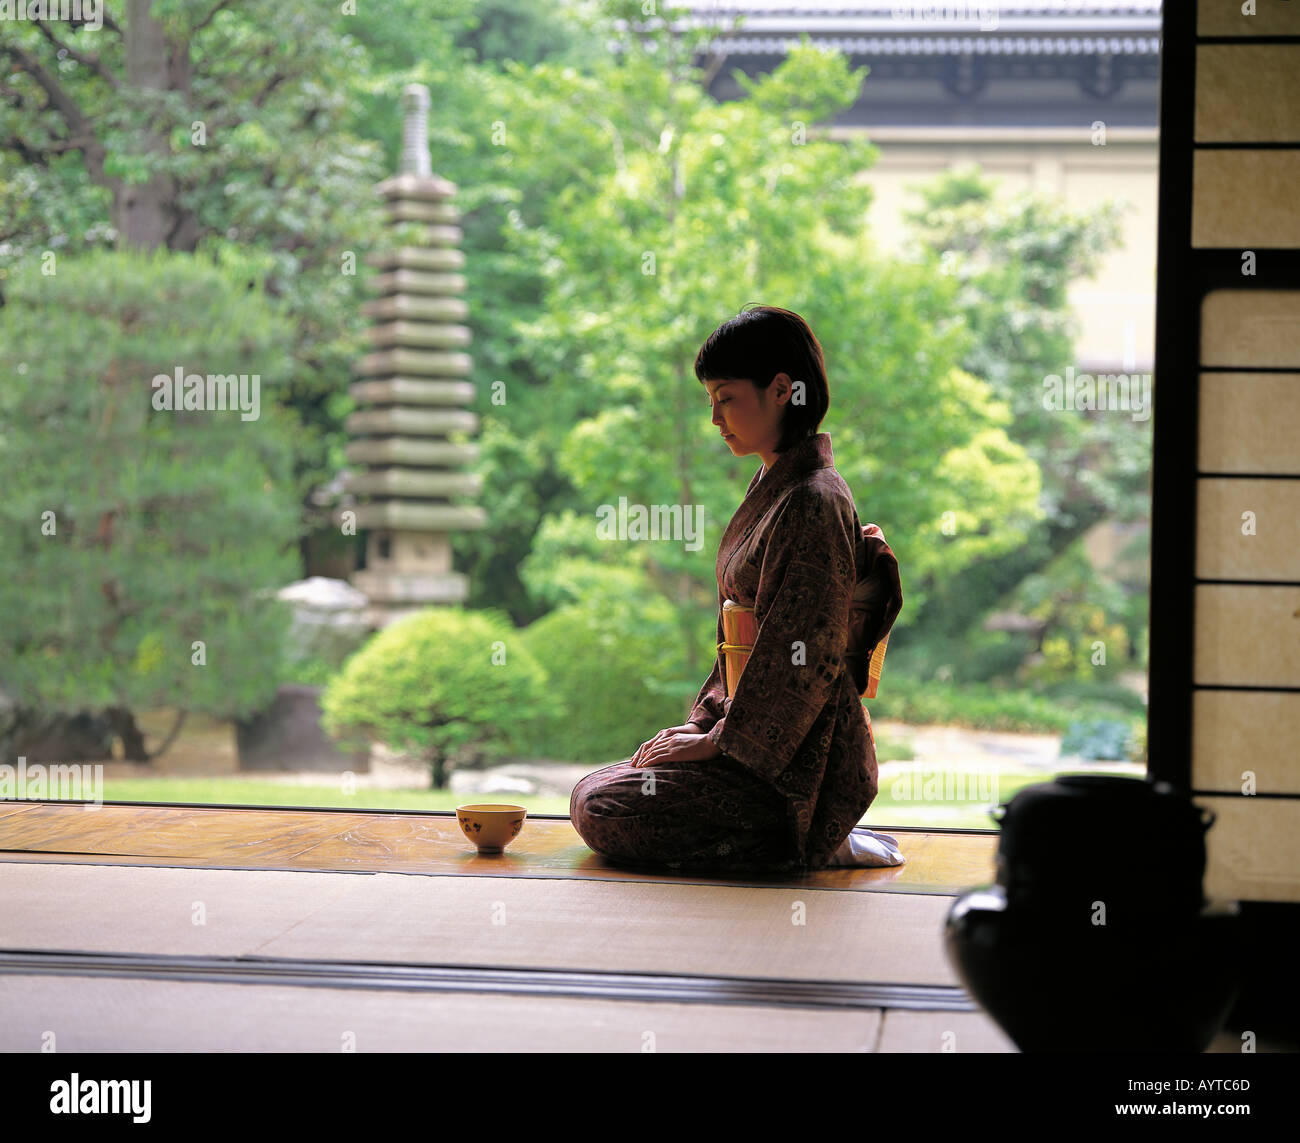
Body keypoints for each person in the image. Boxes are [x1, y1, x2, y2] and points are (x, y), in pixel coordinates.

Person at [569, 305, 903, 873]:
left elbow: (802, 657)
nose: (716, 418)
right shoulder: (778, 485)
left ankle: (813, 834)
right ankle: (805, 835)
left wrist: (721, 741)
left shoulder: (812, 500)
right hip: (747, 735)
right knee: (598, 788)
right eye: (711, 402)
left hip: (799, 761)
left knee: (607, 808)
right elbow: (741, 649)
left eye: (726, 398)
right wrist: (702, 725)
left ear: (780, 391)